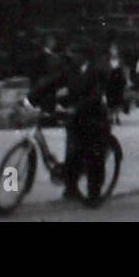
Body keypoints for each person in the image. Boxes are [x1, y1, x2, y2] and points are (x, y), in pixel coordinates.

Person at [29, 40, 111, 204]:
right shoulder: (70, 70)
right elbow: (51, 83)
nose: (71, 56)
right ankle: (71, 189)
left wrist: (77, 108)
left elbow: (95, 96)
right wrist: (30, 97)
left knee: (93, 156)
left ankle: (94, 195)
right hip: (75, 118)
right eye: (71, 53)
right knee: (73, 153)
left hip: (94, 118)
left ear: (84, 55)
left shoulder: (97, 71)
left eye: (75, 52)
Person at [105, 43, 129, 126]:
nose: (114, 51)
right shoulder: (107, 61)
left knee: (118, 101)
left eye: (115, 50)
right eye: (112, 50)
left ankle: (116, 116)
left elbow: (124, 71)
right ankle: (111, 117)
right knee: (110, 102)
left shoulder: (120, 61)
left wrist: (126, 81)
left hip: (118, 83)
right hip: (109, 83)